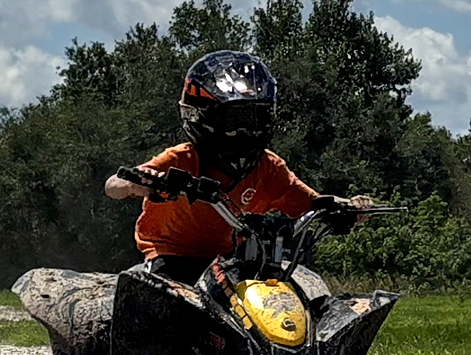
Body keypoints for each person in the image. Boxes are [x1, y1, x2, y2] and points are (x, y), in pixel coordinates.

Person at [105, 50, 373, 284]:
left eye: (255, 117)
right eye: (234, 119)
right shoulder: (183, 159)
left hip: (230, 263)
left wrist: (349, 206)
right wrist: (138, 183)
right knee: (164, 306)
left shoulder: (268, 167)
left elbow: (311, 202)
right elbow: (113, 185)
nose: (245, 129)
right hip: (172, 257)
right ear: (200, 115)